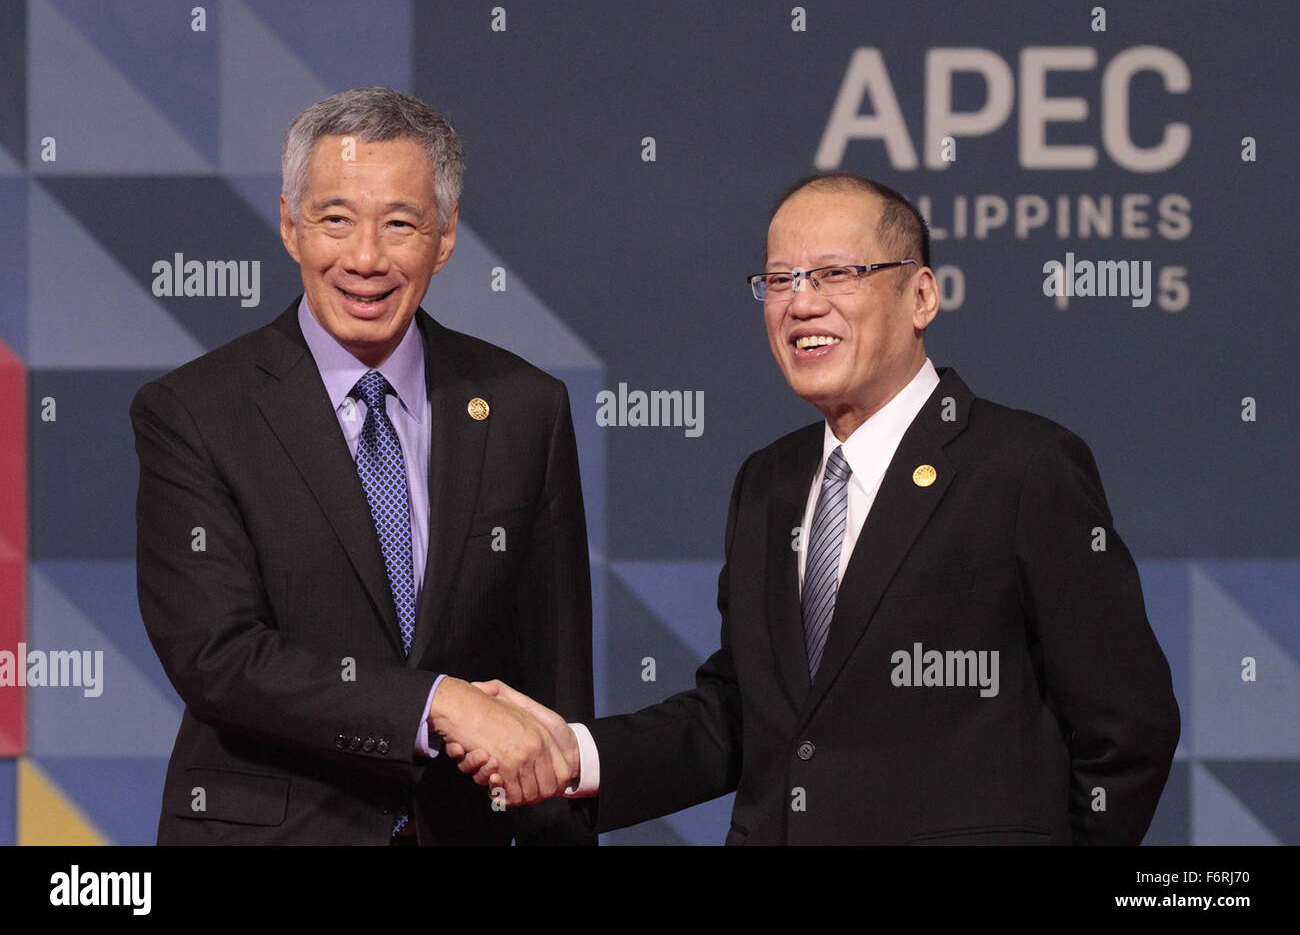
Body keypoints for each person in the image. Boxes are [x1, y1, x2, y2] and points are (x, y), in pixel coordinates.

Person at [458, 173, 1181, 845]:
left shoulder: (1022, 467)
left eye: (838, 273)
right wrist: (570, 753)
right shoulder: (769, 482)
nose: (803, 303)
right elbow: (744, 720)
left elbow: (1128, 730)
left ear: (922, 296)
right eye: (779, 280)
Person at [132, 86, 592, 845]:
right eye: (335, 219)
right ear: (289, 225)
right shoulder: (195, 411)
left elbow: (552, 685)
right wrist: (434, 703)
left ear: (444, 239)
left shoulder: (522, 408)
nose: (366, 259)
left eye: (401, 224)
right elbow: (216, 653)